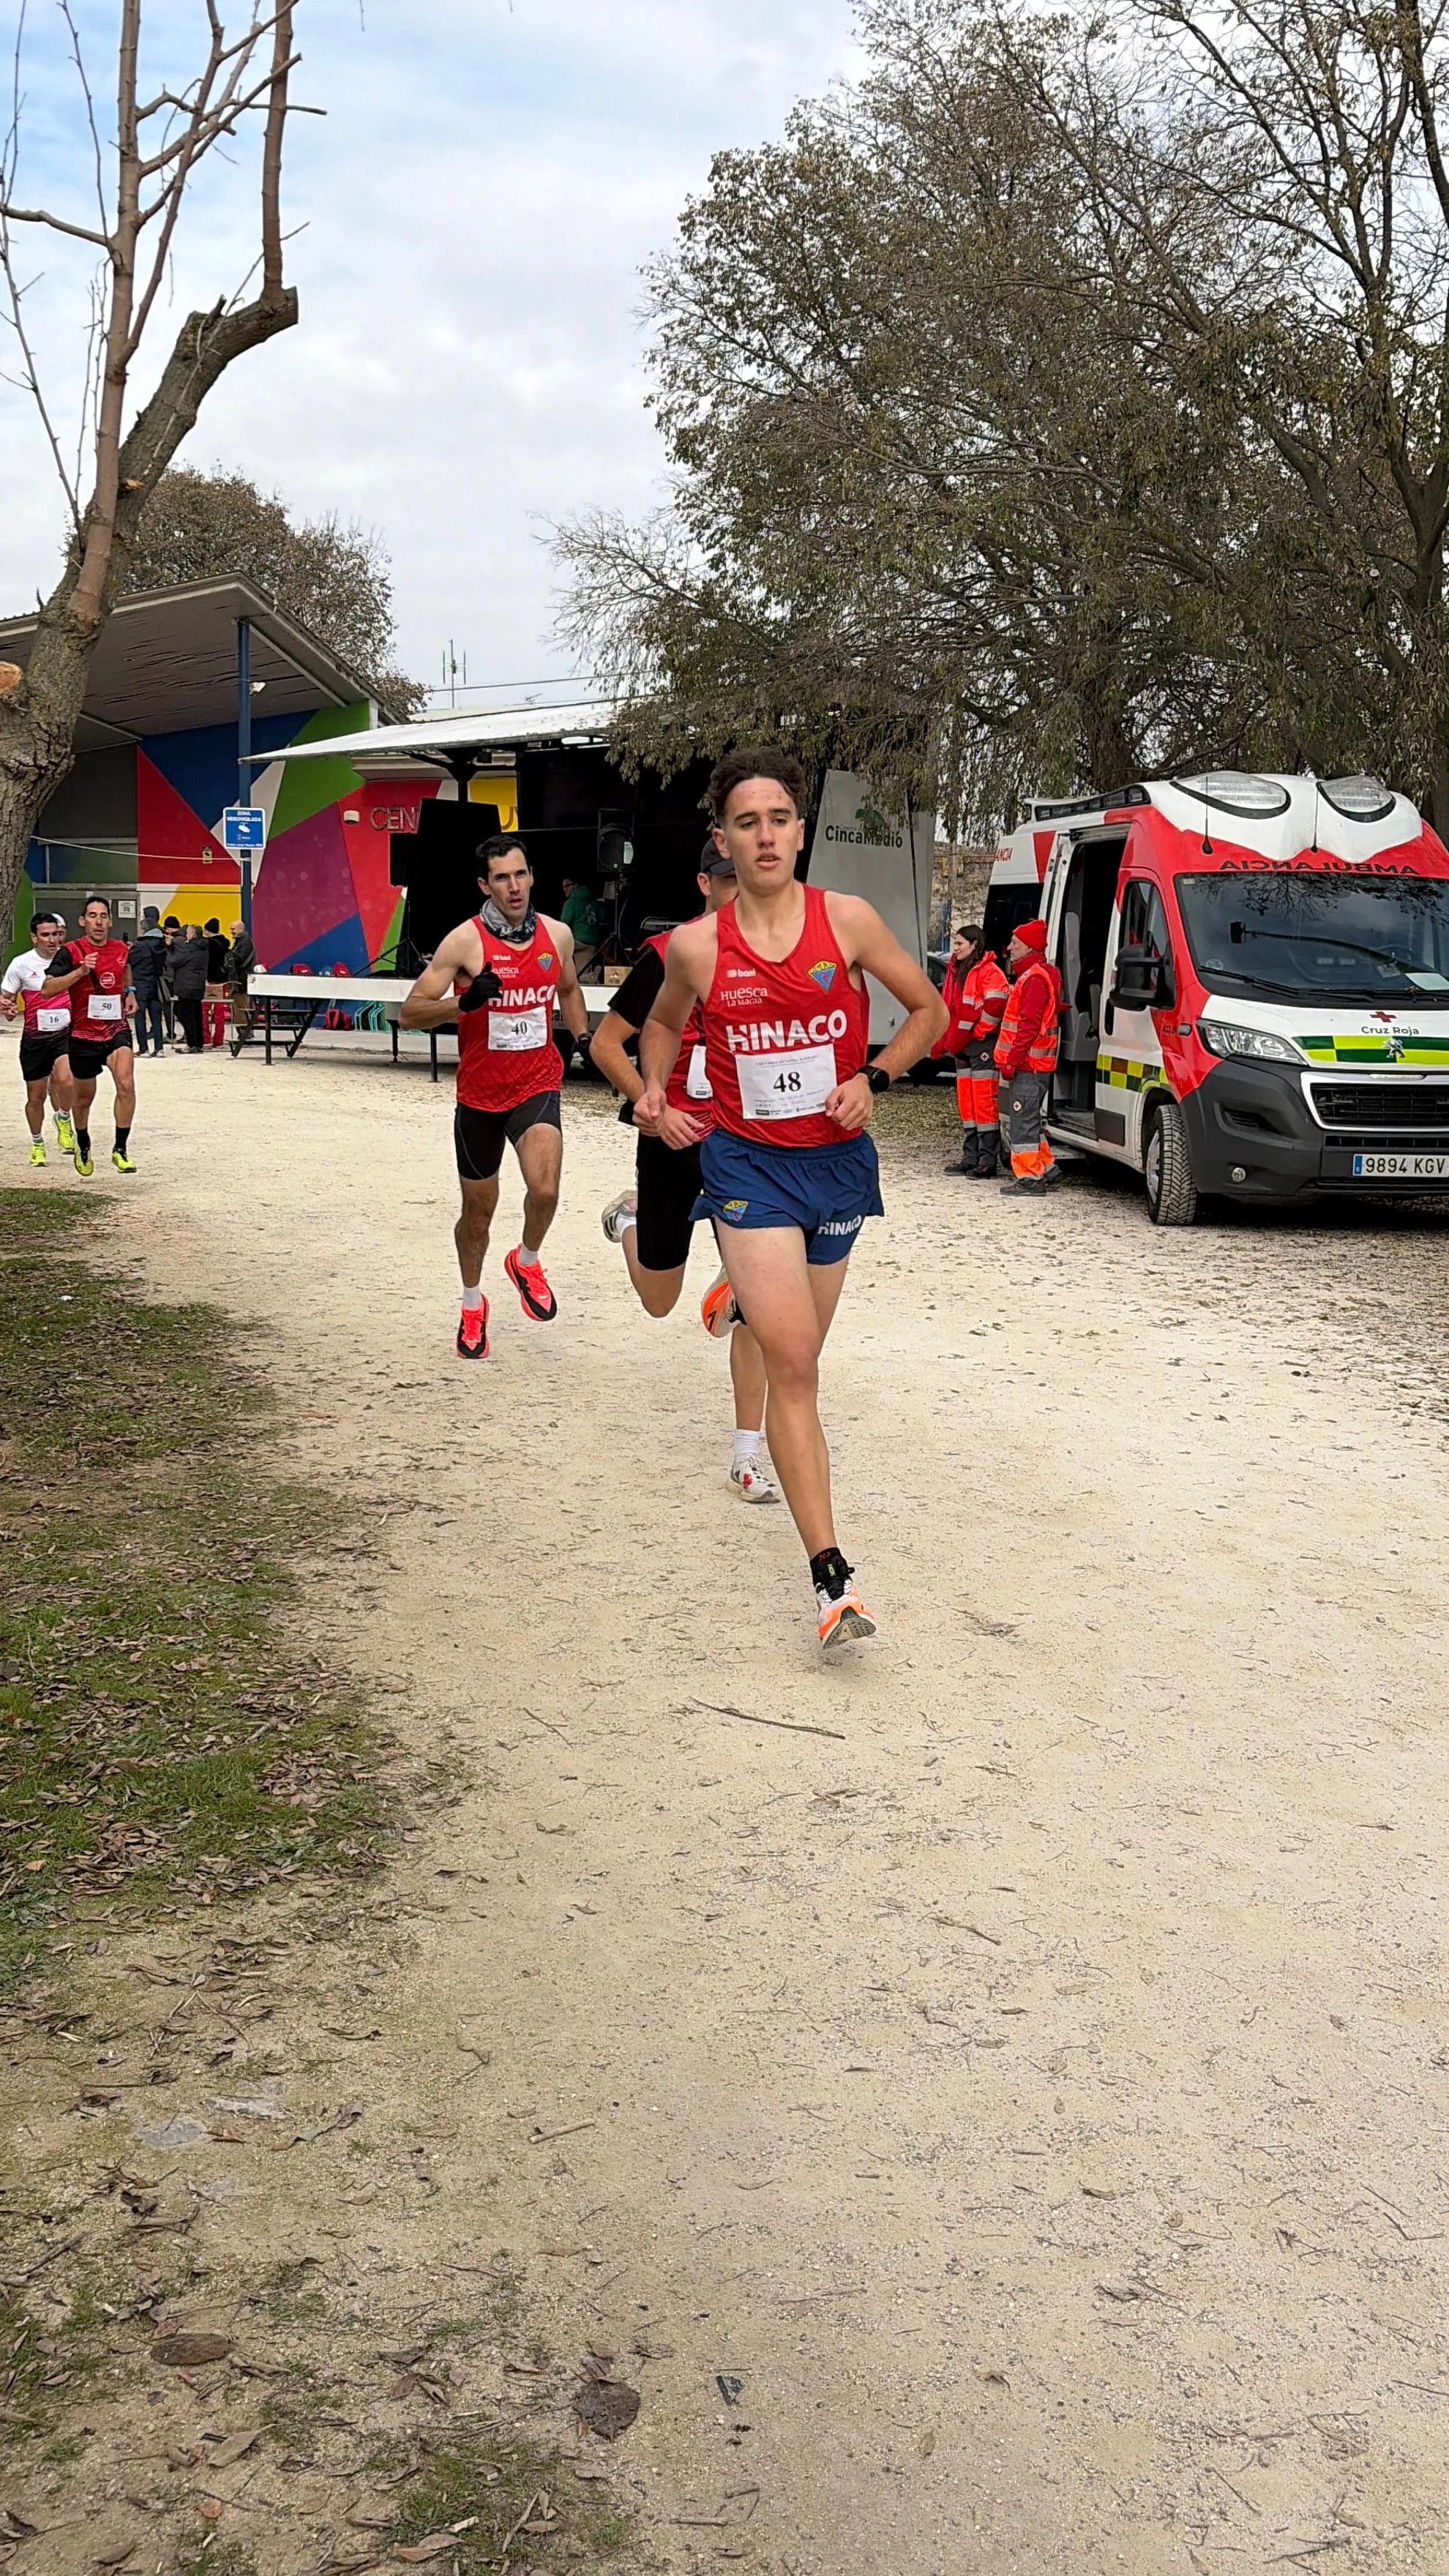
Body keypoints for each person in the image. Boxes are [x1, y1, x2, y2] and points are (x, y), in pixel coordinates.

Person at [637, 747, 947, 1649]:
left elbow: (929, 1011)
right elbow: (659, 1025)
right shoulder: (698, 945)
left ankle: (743, 1293)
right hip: (749, 1169)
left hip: (837, 1168)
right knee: (798, 1364)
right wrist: (655, 1090)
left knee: (798, 1343)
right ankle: (830, 1579)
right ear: (724, 841)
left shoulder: (847, 922)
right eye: (747, 822)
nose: (765, 835)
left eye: (778, 818)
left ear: (799, 831)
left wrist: (876, 1078)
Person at [591, 839, 780, 1506]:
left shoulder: (774, 956)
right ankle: (629, 1221)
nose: (742, 890)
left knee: (761, 1308)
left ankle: (746, 1455)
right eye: (728, 880)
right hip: (671, 1140)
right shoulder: (668, 954)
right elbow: (604, 1042)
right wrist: (650, 1102)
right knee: (659, 1301)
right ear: (705, 882)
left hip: (744, 1149)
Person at [400, 831, 591, 1355]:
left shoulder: (557, 935)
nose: (514, 887)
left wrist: (582, 1038)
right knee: (478, 1215)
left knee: (545, 1189)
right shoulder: (464, 942)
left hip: (536, 1083)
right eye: (502, 878)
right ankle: (471, 1302)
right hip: (481, 1098)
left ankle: (526, 1261)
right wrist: (461, 1004)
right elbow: (410, 1012)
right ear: (485, 884)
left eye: (521, 874)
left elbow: (569, 990)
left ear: (532, 877)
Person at [40, 895, 137, 1175]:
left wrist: (129, 992)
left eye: (103, 916)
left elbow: (124, 970)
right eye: (92, 916)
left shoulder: (120, 949)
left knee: (126, 1084)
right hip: (83, 1034)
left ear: (110, 920)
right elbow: (47, 988)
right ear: (83, 921)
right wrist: (81, 971)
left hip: (115, 1028)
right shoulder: (69, 951)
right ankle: (82, 1142)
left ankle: (120, 1149)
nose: (99, 921)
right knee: (84, 1099)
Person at [1, 910, 77, 1166]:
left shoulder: (70, 959)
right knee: (36, 1097)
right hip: (34, 1037)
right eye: (46, 935)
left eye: (56, 934)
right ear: (34, 937)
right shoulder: (21, 964)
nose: (52, 940)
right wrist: (8, 1009)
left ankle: (64, 1118)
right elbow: (6, 1001)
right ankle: (37, 1143)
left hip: (64, 1034)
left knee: (66, 1080)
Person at [994, 918, 1063, 1196]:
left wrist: (1012, 1060)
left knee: (1022, 1122)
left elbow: (1028, 1025)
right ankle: (1046, 1167)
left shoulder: (1033, 979)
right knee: (1030, 1118)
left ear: (1030, 947)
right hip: (1035, 1064)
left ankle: (1030, 1179)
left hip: (1029, 1065)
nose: (1009, 948)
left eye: (1016, 943)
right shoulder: (1039, 975)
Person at [939, 924, 1009, 1177]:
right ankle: (971, 1158)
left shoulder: (989, 972)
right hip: (964, 1044)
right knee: (967, 1104)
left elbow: (997, 1005)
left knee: (983, 1103)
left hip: (981, 1043)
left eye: (959, 944)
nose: (954, 949)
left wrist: (979, 1032)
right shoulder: (960, 971)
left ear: (974, 945)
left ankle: (987, 1161)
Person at [127, 906, 168, 1057]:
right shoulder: (161, 944)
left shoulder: (141, 945)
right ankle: (159, 1049)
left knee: (140, 1017)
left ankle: (143, 1048)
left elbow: (130, 961)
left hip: (141, 983)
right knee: (156, 1018)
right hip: (156, 984)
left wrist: (130, 950)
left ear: (145, 929)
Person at [169, 923, 209, 1051]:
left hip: (186, 985)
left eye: (188, 932)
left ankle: (192, 1043)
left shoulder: (188, 948)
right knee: (196, 1014)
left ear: (192, 934)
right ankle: (198, 1043)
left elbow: (173, 961)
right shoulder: (204, 947)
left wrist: (169, 948)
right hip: (198, 985)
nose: (186, 934)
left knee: (183, 1012)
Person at [559, 874, 604, 974]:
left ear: (575, 885)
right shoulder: (594, 901)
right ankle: (593, 975)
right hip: (592, 943)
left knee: (553, 947)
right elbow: (604, 917)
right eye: (563, 887)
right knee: (583, 973)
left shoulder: (571, 902)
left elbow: (563, 925)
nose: (564, 889)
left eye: (567, 886)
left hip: (577, 941)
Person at [227, 915, 257, 1046]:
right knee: (238, 1007)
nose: (231, 931)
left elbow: (241, 961)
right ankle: (244, 1032)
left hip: (241, 981)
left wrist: (230, 956)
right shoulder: (240, 942)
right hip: (238, 980)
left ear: (241, 929)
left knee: (240, 1007)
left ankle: (245, 1032)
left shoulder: (245, 942)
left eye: (233, 929)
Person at [202, 917, 230, 1047]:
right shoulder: (226, 943)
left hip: (209, 981)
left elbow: (207, 964)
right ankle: (219, 1039)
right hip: (223, 981)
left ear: (207, 931)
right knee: (220, 1011)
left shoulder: (207, 945)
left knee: (204, 1010)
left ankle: (206, 1038)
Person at [160, 917, 181, 1046]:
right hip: (179, 979)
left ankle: (171, 1033)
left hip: (169, 978)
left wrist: (169, 945)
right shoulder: (185, 940)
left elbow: (172, 960)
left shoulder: (176, 942)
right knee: (179, 1008)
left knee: (169, 1008)